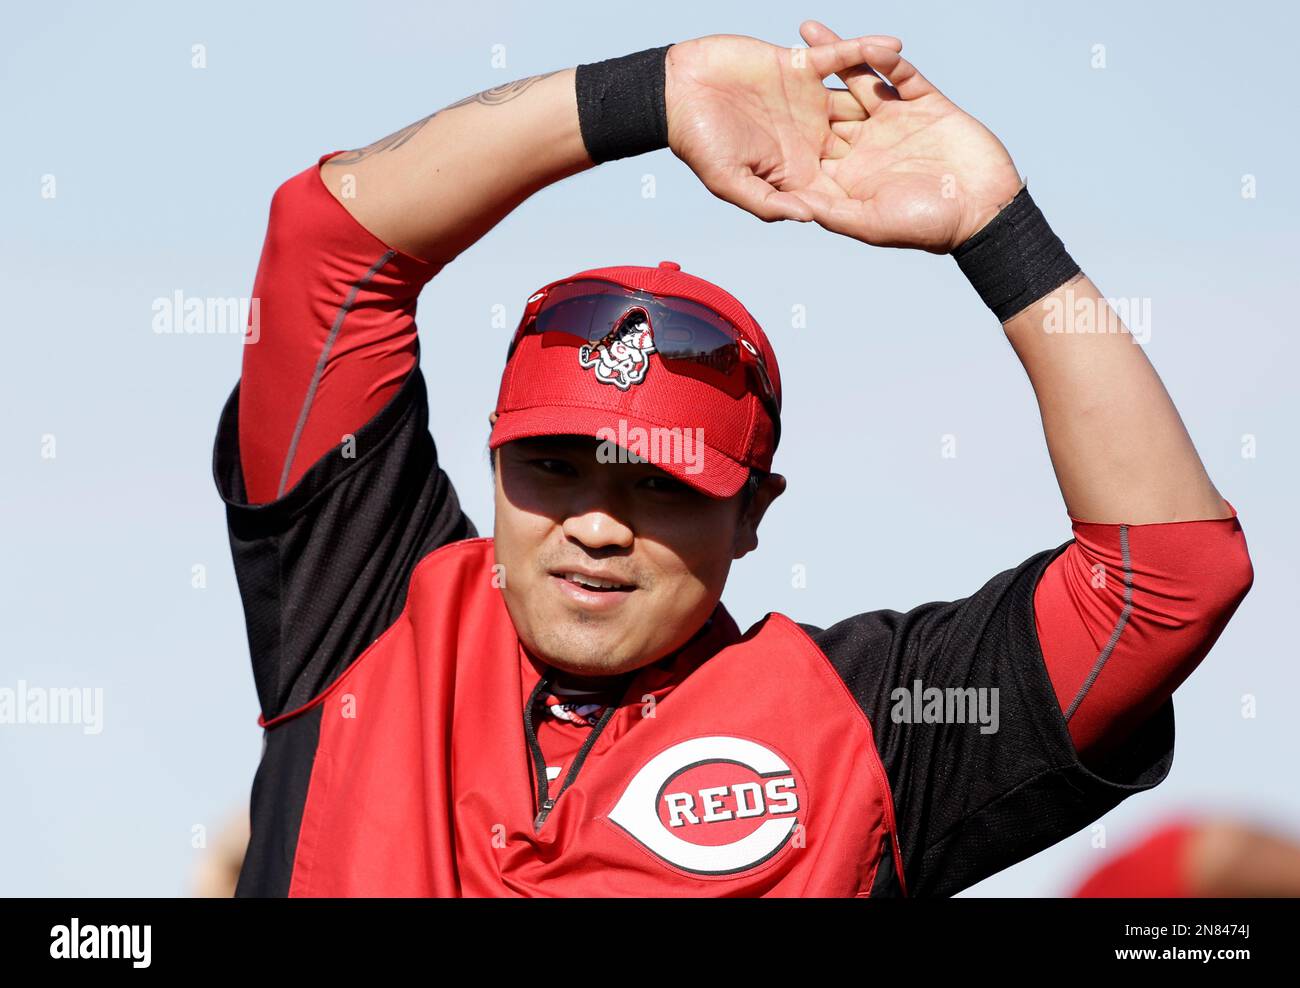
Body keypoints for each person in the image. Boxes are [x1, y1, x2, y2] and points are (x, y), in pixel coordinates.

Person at [212, 21, 1254, 896]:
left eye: (660, 484)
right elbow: (328, 236)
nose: (597, 523)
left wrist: (998, 232)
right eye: (553, 466)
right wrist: (654, 94)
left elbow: (1165, 579)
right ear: (493, 467)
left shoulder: (864, 727)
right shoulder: (363, 608)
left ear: (754, 512)